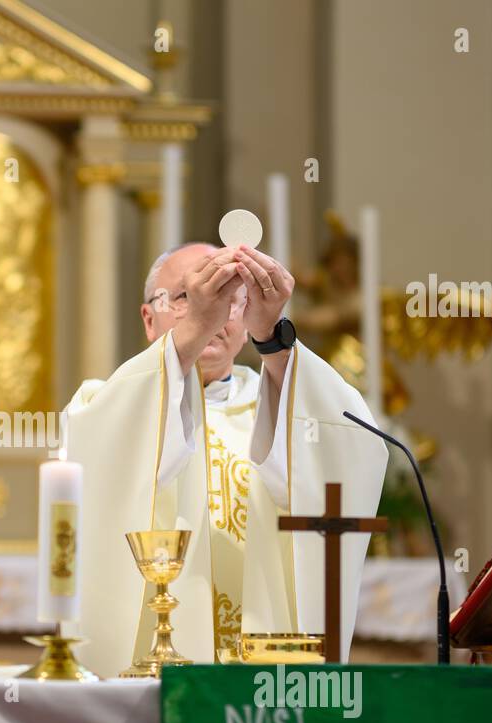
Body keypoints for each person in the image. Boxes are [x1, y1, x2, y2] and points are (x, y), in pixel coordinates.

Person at [64, 241, 387, 677]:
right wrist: (194, 328)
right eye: (187, 297)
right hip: (152, 679)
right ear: (148, 318)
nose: (213, 312)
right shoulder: (101, 405)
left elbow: (352, 448)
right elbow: (99, 467)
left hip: (267, 678)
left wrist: (274, 335)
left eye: (229, 299)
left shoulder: (281, 399)